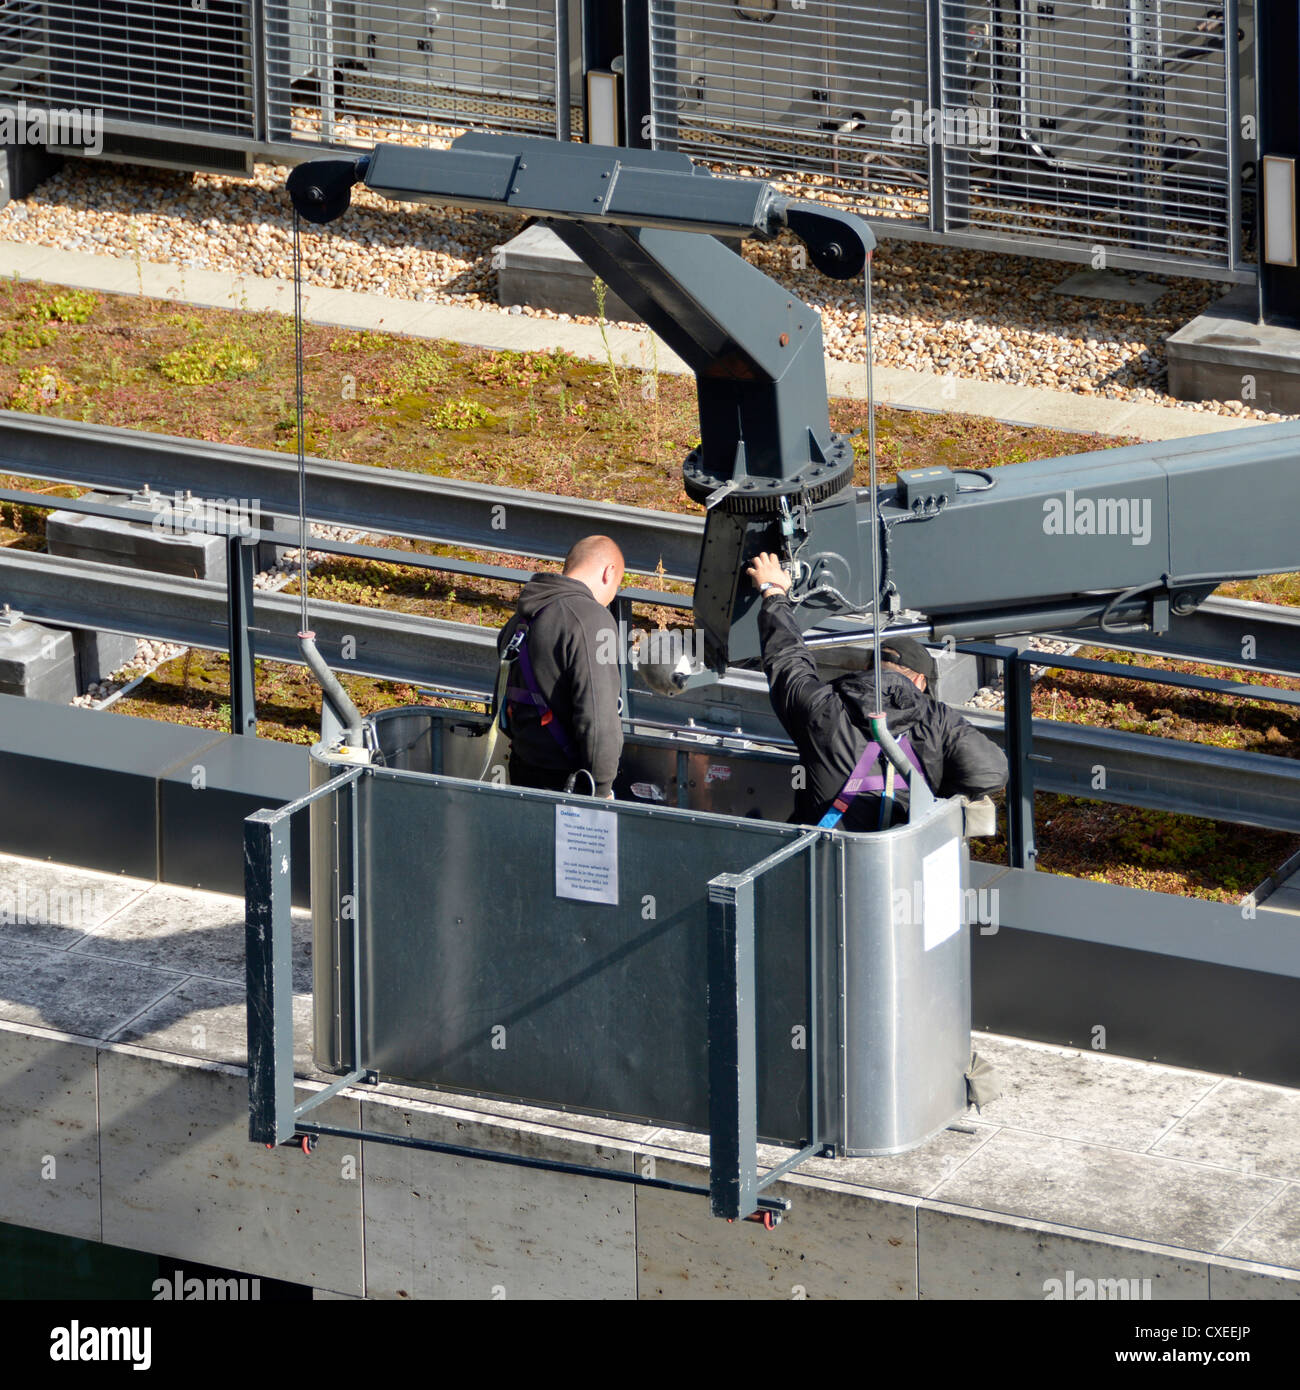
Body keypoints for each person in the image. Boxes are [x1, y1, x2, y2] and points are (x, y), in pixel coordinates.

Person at [745, 551, 1008, 829]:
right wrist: (931, 788)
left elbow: (787, 658)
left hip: (825, 858)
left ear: (869, 669)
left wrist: (773, 591)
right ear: (920, 682)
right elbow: (991, 772)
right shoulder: (937, 718)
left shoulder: (821, 706)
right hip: (903, 856)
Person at [497, 535, 625, 799]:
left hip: (522, 771)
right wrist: (600, 790)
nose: (611, 598)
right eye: (617, 586)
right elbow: (599, 718)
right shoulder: (592, 619)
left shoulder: (519, 619)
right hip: (570, 787)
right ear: (608, 572)